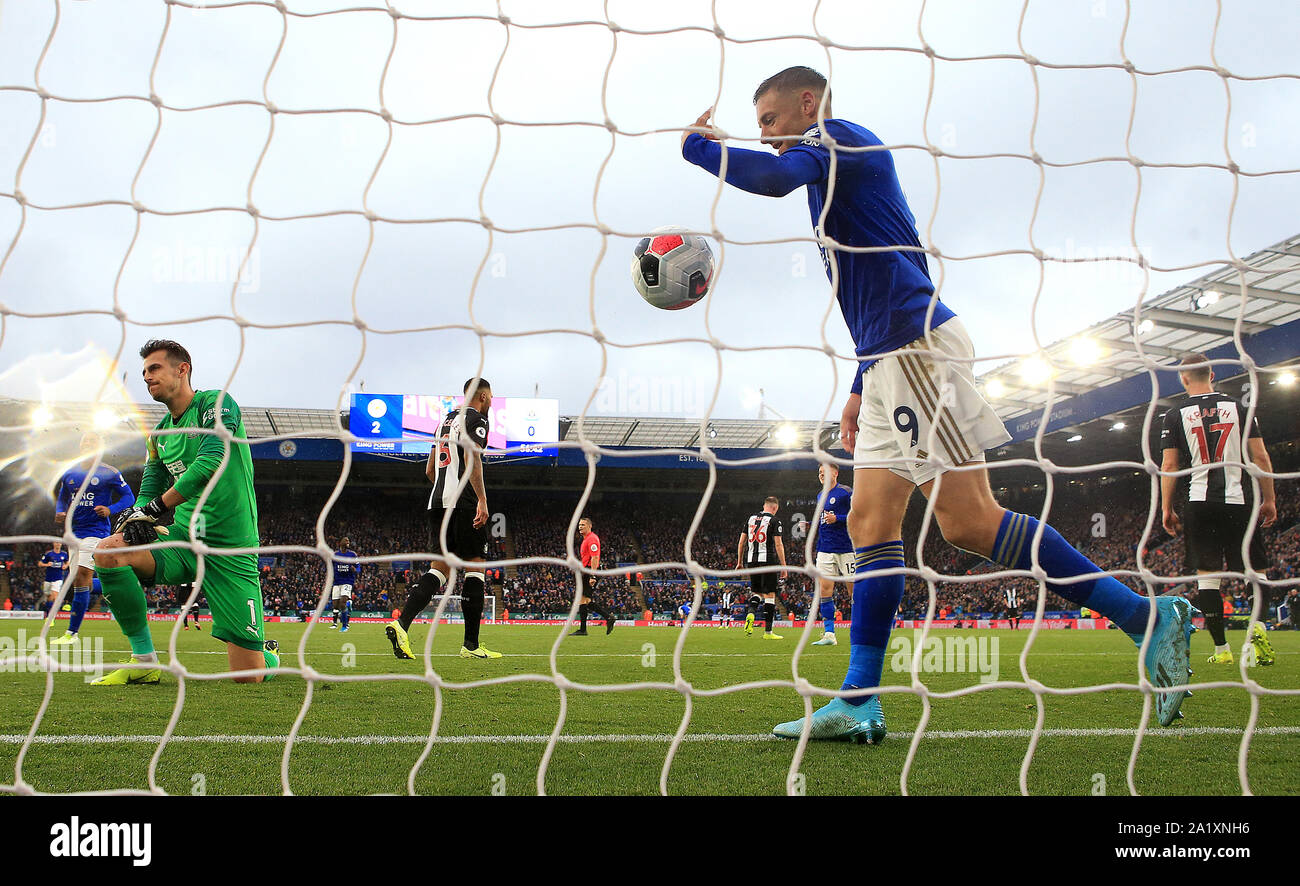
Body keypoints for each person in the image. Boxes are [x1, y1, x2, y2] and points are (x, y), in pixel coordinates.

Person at [681, 65, 1194, 740]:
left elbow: (773, 180)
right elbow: (900, 268)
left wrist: (699, 147)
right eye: (762, 131)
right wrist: (865, 380)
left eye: (772, 122)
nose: (769, 139)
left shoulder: (838, 138)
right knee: (871, 522)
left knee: (972, 521)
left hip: (915, 349)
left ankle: (1142, 616)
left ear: (808, 104)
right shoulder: (834, 171)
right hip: (892, 357)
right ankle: (861, 701)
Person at [91, 340, 279, 685]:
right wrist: (137, 514)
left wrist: (156, 508)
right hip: (184, 540)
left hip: (231, 548)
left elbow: (211, 460)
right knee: (108, 551)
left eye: (155, 369)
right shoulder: (160, 433)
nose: (148, 377)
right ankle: (144, 660)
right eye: (145, 372)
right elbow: (151, 482)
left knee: (248, 676)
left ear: (183, 369)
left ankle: (267, 654)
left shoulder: (216, 404)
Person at [1160, 354, 1276, 666]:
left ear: (1184, 378)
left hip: (1199, 503)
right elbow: (1261, 457)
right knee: (1256, 572)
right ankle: (1258, 631)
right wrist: (1270, 499)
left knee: (1207, 578)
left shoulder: (1174, 414)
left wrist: (1166, 508)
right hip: (1238, 500)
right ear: (1211, 374)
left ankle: (1222, 651)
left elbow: (1169, 466)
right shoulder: (1239, 407)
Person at [386, 377, 501, 661]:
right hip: (463, 504)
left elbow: (429, 470)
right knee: (474, 568)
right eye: (491, 399)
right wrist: (482, 501)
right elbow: (473, 459)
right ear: (484, 397)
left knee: (439, 570)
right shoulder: (476, 420)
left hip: (437, 504)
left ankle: (401, 625)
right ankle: (471, 646)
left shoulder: (444, 422)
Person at [51, 434, 136, 645]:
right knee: (82, 583)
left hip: (96, 532)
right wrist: (60, 512)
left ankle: (72, 634)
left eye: (93, 442)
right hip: (73, 533)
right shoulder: (70, 473)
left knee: (81, 576)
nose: (88, 445)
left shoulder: (109, 472)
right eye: (84, 442)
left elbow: (129, 497)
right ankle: (120, 581)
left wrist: (111, 509)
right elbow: (62, 498)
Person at [808, 463, 852, 646]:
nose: (821, 475)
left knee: (854, 591)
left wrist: (838, 519)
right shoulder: (820, 495)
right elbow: (824, 520)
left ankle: (860, 629)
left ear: (835, 473)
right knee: (824, 591)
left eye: (824, 472)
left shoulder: (846, 492)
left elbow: (859, 514)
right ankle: (829, 634)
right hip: (825, 549)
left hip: (847, 549)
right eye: (819, 472)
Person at [737, 496, 787, 640]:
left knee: (757, 593)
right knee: (770, 594)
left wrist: (740, 562)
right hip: (768, 560)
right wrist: (784, 566)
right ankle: (768, 632)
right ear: (775, 508)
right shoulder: (774, 521)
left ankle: (751, 613)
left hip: (752, 561)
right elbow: (778, 544)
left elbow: (741, 543)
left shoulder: (751, 519)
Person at [569, 516, 616, 636]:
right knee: (586, 601)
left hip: (590, 571)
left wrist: (593, 576)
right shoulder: (586, 539)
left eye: (583, 525)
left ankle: (584, 629)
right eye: (579, 525)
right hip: (586, 570)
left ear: (590, 526)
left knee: (582, 600)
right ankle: (607, 617)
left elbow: (595, 557)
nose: (580, 527)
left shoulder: (592, 539)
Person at [330, 537, 359, 633]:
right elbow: (330, 565)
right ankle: (348, 605)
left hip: (347, 581)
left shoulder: (352, 554)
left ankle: (344, 626)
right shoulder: (335, 555)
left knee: (342, 604)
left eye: (348, 541)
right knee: (335, 605)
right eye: (346, 540)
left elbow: (358, 568)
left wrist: (355, 570)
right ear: (340, 543)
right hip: (337, 582)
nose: (348, 542)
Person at [38, 541, 70, 622]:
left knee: (54, 597)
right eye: (56, 543)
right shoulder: (49, 554)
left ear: (61, 544)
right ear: (53, 544)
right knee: (48, 598)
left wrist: (66, 565)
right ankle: (48, 614)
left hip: (58, 578)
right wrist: (46, 564)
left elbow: (68, 562)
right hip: (48, 579)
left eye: (59, 543)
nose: (58, 544)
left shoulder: (64, 554)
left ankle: (51, 617)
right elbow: (40, 563)